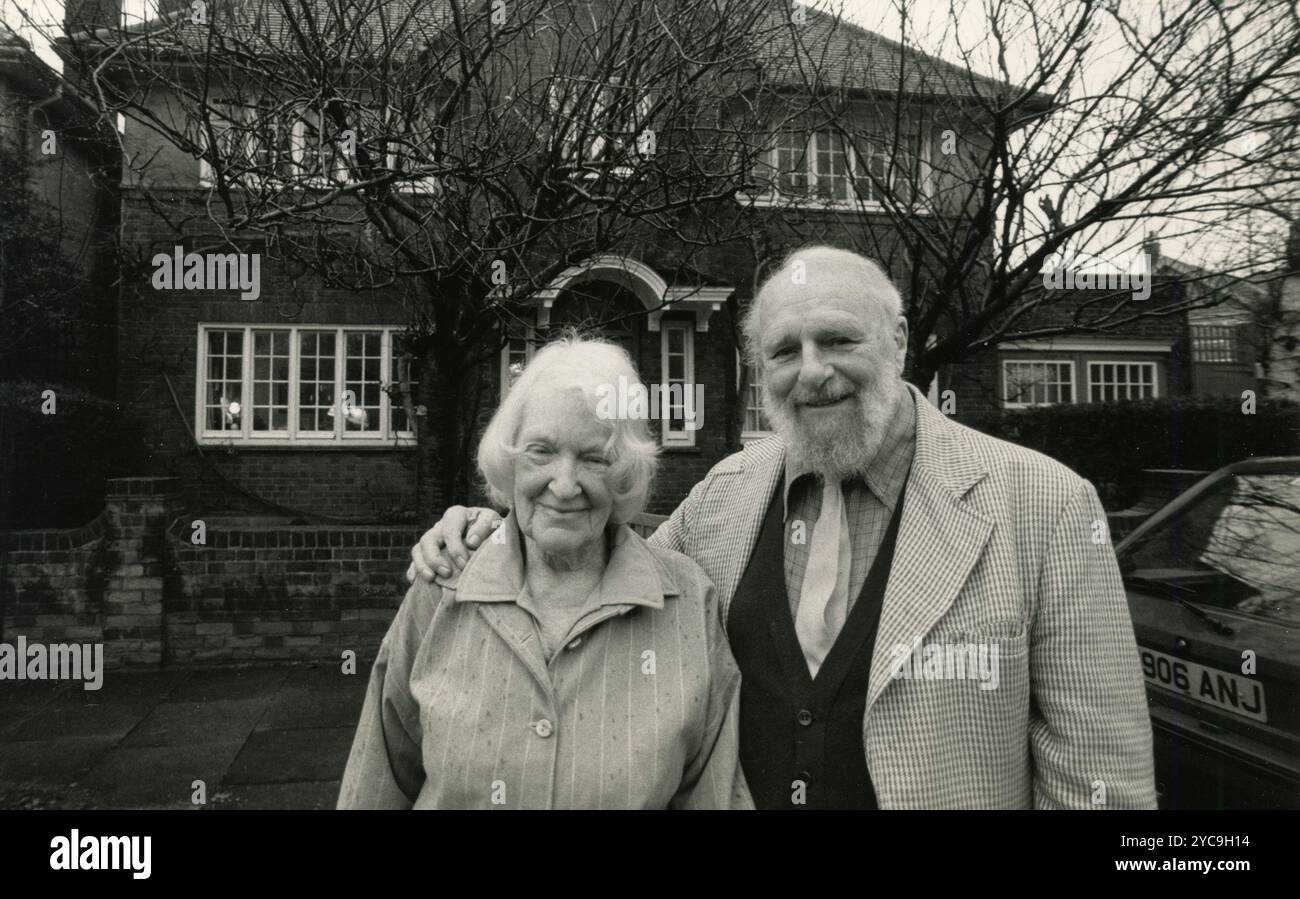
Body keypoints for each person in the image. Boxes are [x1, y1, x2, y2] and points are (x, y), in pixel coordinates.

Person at [408, 246, 1158, 809]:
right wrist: (493, 528)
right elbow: (604, 574)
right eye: (783, 351)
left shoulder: (1046, 506)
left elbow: (1101, 781)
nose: (811, 371)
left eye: (837, 340)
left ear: (898, 341)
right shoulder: (726, 496)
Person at [339, 338, 751, 809]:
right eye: (541, 451)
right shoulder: (443, 584)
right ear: (509, 460)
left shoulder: (688, 602)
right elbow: (377, 784)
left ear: (624, 474)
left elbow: (714, 795)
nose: (563, 484)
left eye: (594, 458)